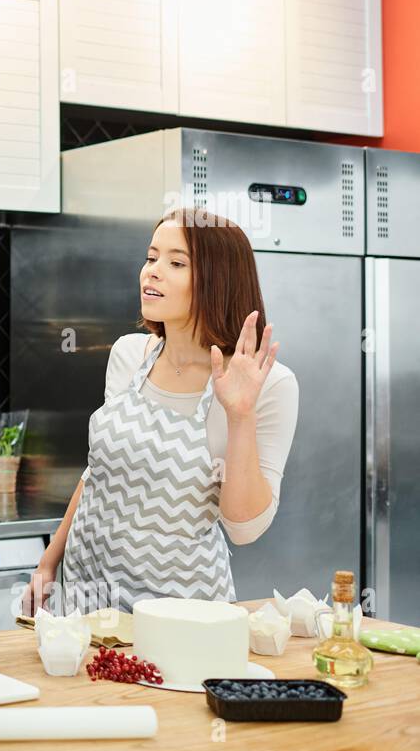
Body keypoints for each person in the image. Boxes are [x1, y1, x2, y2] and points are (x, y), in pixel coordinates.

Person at [21, 208, 299, 615]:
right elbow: (97, 473)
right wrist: (49, 562)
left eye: (176, 263)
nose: (152, 272)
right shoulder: (129, 354)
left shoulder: (269, 384)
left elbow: (244, 528)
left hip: (184, 617)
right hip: (90, 605)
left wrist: (240, 414)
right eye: (151, 258)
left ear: (218, 280)